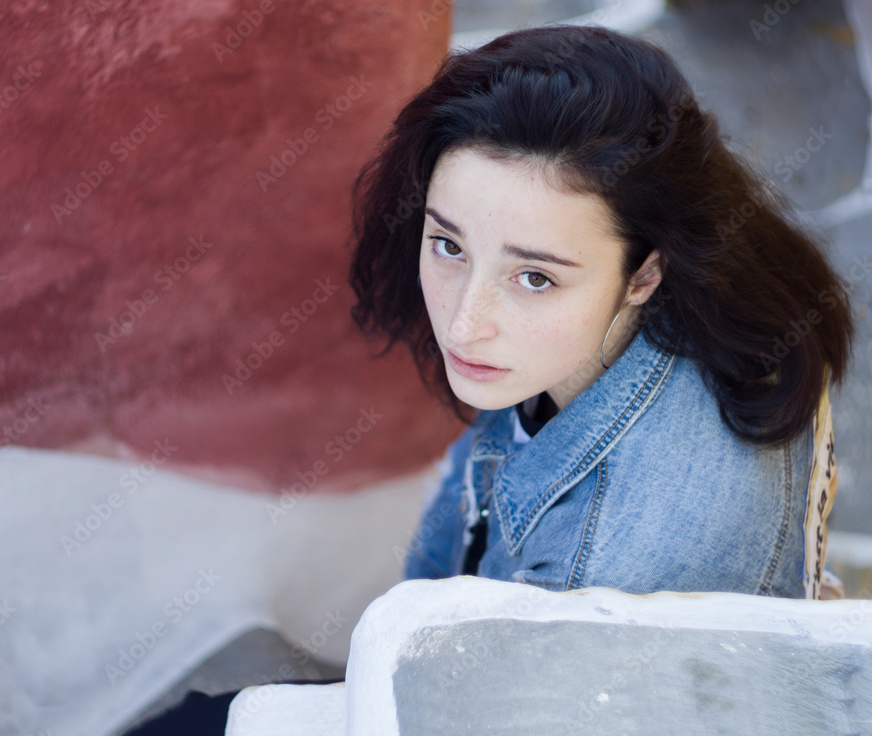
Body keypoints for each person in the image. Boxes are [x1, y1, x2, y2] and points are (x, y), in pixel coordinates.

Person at [347, 24, 856, 599]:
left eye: (535, 277)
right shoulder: (712, 304)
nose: (464, 324)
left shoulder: (597, 579)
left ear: (645, 275)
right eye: (448, 245)